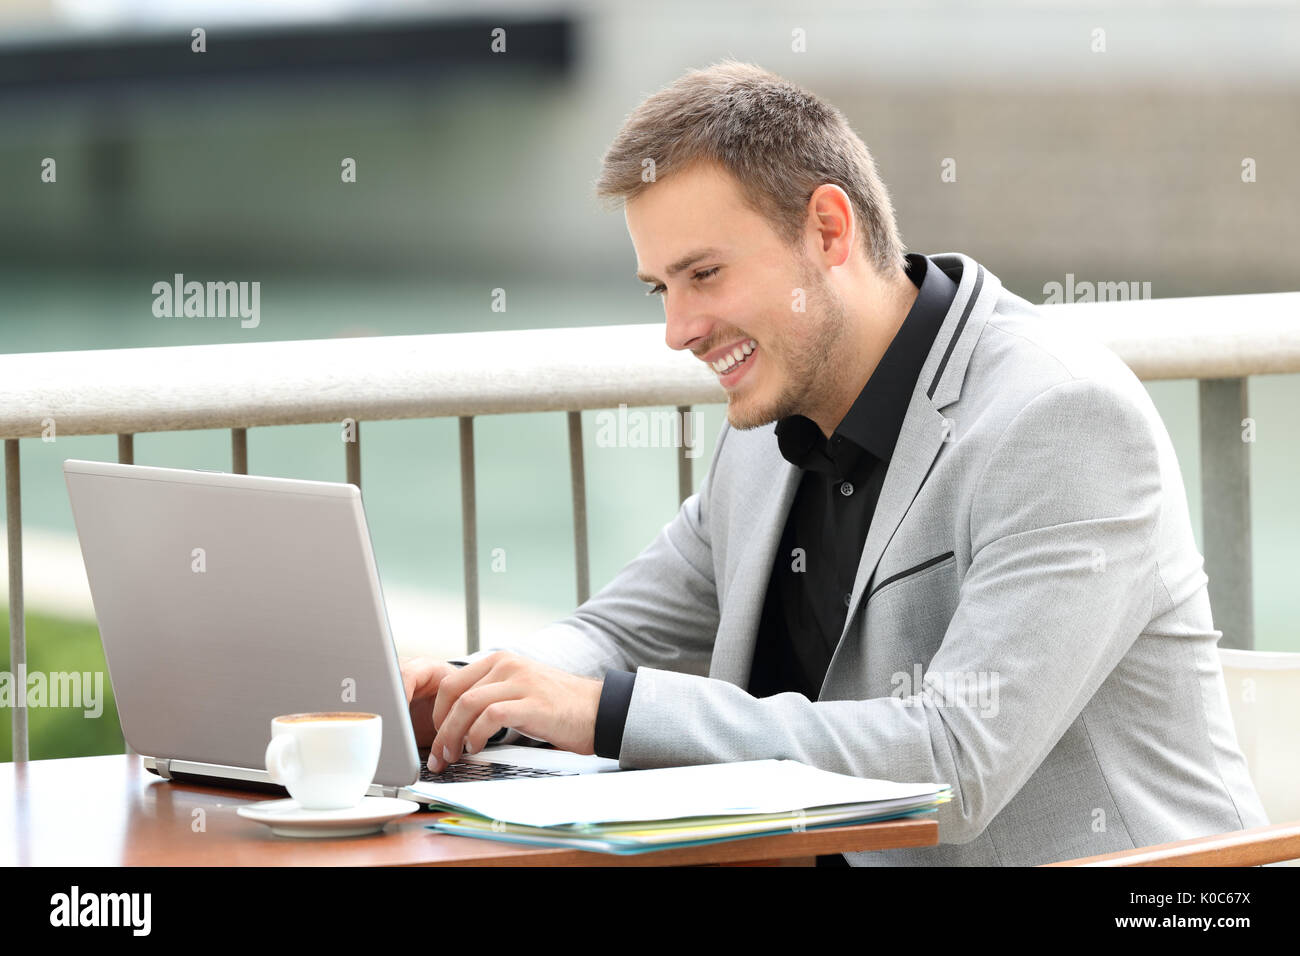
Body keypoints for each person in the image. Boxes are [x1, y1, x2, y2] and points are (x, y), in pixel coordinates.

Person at [402, 59, 1268, 865]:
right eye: (661, 289)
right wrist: (477, 690)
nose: (678, 331)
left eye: (704, 273)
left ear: (827, 228)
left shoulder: (1061, 420)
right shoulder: (766, 424)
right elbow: (615, 636)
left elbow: (952, 762)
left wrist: (603, 713)